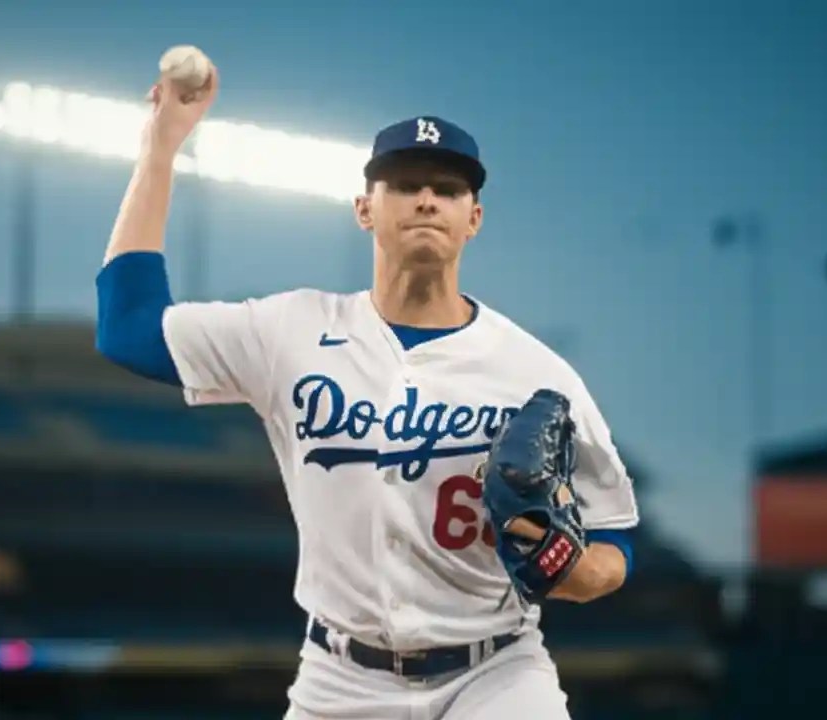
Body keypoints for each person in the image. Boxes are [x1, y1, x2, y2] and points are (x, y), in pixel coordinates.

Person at [95, 65, 639, 719]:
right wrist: (160, 146)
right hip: (338, 680)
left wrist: (581, 571)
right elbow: (128, 330)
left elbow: (614, 534)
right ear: (364, 209)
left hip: (495, 673)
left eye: (448, 188)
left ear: (475, 217)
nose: (427, 200)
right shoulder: (290, 331)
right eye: (406, 185)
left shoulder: (537, 372)